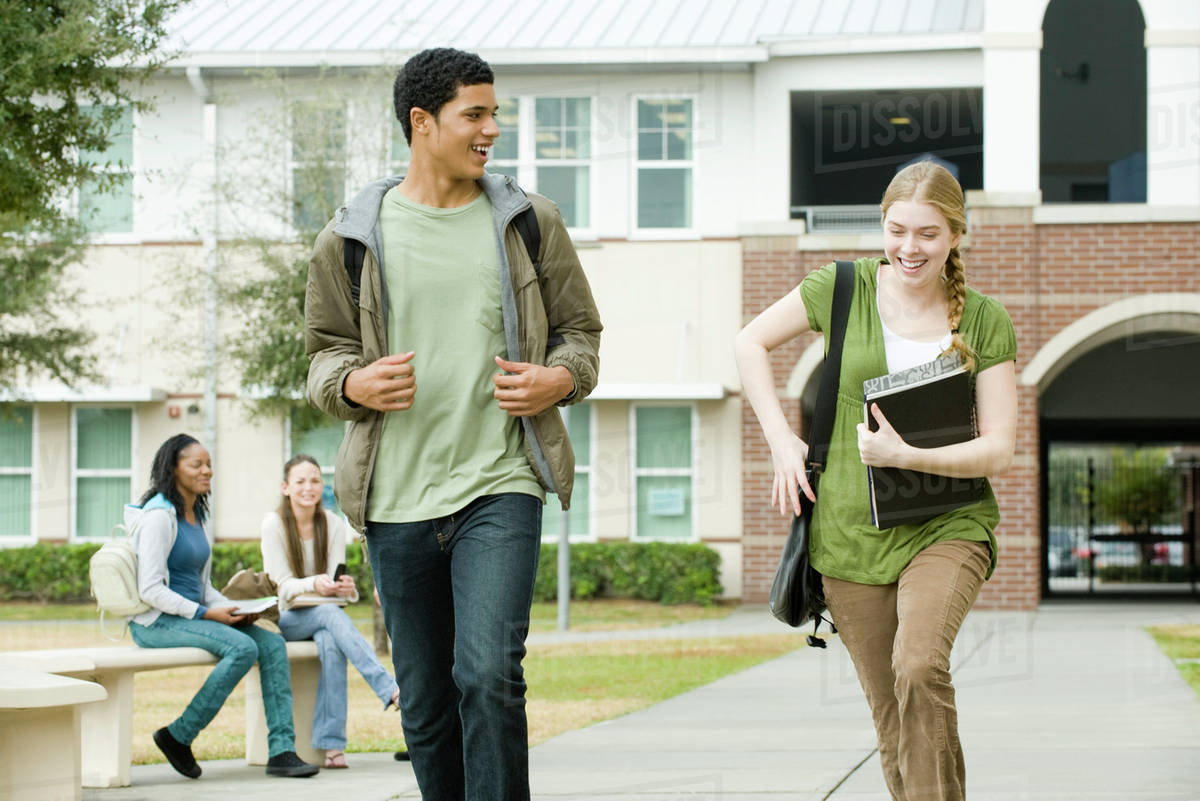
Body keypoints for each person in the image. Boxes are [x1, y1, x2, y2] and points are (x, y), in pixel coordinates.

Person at [303, 47, 602, 801]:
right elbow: (321, 358)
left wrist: (557, 378)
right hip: (396, 499)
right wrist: (354, 382)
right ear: (421, 121)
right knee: (428, 698)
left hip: (499, 483)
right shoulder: (350, 237)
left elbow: (581, 335)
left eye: (494, 113)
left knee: (489, 672)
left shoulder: (529, 222)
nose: (491, 129)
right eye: (476, 114)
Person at [734, 161, 1017, 801]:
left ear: (955, 237)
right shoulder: (839, 288)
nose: (909, 248)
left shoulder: (985, 319)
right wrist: (783, 440)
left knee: (919, 668)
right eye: (897, 231)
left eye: (927, 234)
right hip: (848, 533)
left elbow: (999, 448)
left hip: (947, 525)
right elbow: (749, 342)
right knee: (894, 719)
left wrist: (906, 454)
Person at [126, 434, 319, 779]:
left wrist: (233, 608)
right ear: (173, 468)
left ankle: (282, 751)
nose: (207, 471)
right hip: (155, 622)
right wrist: (205, 613)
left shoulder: (194, 514)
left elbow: (201, 586)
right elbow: (150, 589)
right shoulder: (158, 517)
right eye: (196, 464)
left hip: (192, 616)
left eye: (209, 464)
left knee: (272, 643)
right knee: (242, 647)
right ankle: (177, 736)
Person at [261, 453, 401, 769]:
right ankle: (390, 689)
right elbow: (280, 588)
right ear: (286, 487)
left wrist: (344, 588)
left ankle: (332, 746)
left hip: (324, 614)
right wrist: (316, 584)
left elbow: (339, 596)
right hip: (284, 618)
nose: (309, 487)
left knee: (330, 639)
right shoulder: (273, 524)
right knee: (328, 618)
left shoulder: (334, 525)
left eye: (314, 481)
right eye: (300, 481)